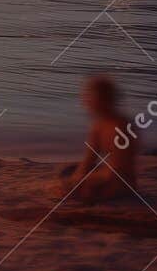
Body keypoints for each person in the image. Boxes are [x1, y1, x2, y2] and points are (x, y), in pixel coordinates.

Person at [54, 75, 137, 204]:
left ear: (104, 100)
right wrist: (77, 177)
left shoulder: (122, 126)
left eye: (91, 97)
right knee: (66, 172)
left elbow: (119, 170)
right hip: (106, 175)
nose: (87, 102)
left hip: (120, 183)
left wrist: (84, 181)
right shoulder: (98, 126)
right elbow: (88, 161)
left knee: (77, 187)